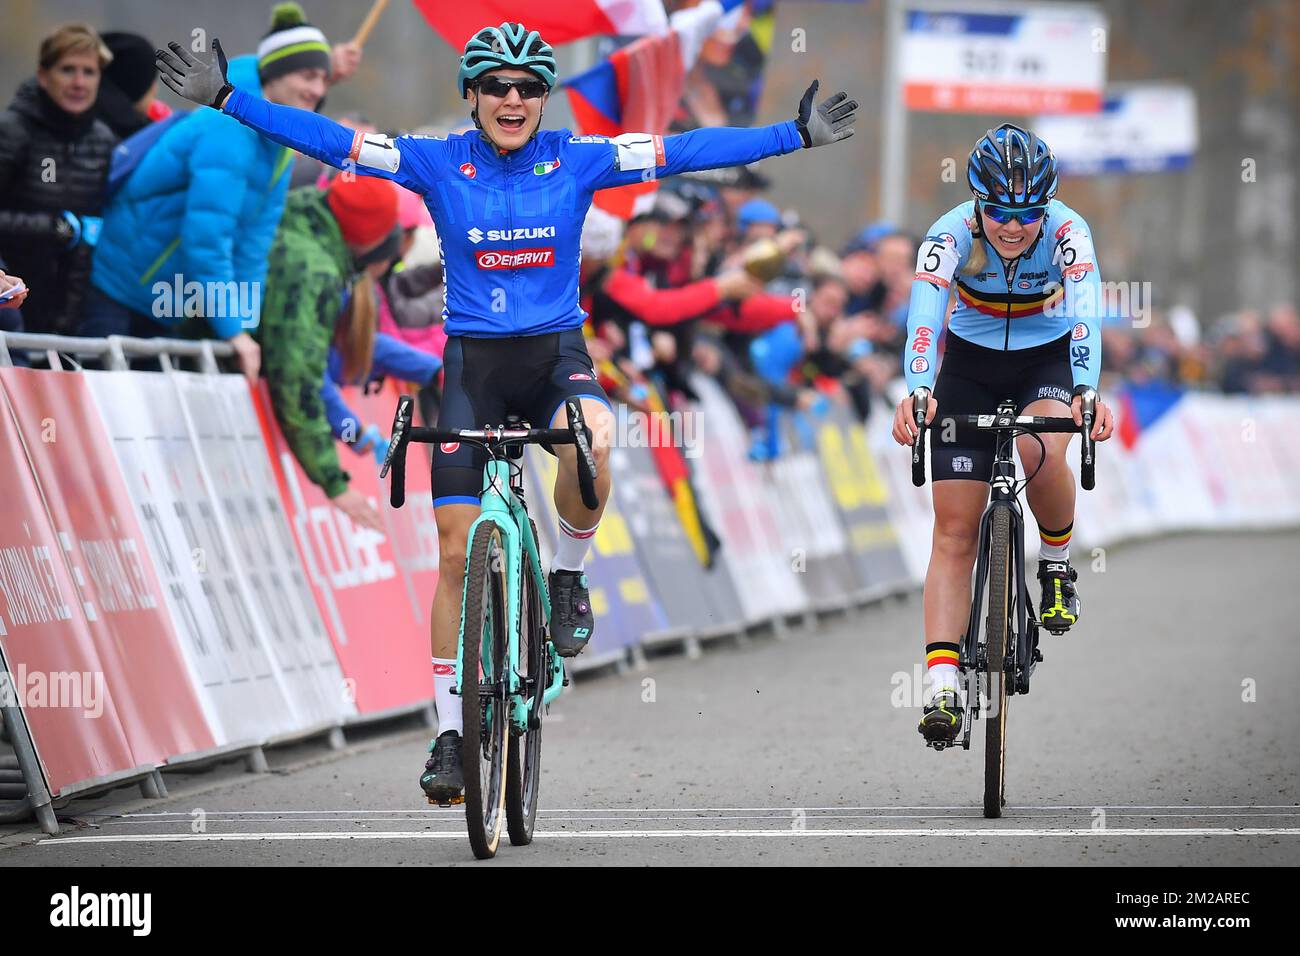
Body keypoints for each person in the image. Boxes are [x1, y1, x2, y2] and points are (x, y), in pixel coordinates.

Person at [155, 19, 859, 804]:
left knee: (592, 437)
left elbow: (686, 149)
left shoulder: (579, 160)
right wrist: (225, 98)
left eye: (528, 87)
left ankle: (565, 579)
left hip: (556, 359)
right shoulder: (433, 162)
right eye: (497, 85)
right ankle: (452, 734)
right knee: (455, 553)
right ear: (473, 96)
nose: (513, 98)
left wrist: (792, 135)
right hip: (472, 369)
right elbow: (329, 141)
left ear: (545, 100)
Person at [890, 124, 1116, 747]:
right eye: (999, 213)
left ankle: (1058, 564)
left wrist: (1087, 386)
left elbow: (1084, 307)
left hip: (1044, 358)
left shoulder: (1069, 231)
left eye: (1027, 215)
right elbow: (924, 315)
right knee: (956, 529)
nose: (1013, 228)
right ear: (977, 204)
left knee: (1038, 451)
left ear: (1046, 208)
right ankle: (940, 684)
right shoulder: (949, 234)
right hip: (967, 364)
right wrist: (917, 386)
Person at [85, 3, 350, 385]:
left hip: (165, 304)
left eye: (325, 80)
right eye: (308, 75)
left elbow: (254, 246)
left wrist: (246, 329)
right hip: (118, 287)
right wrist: (233, 331)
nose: (317, 90)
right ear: (273, 73)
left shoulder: (281, 142)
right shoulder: (228, 129)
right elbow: (208, 240)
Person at [0, 23, 118, 337]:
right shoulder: (12, 131)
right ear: (43, 75)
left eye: (89, 72)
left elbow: (86, 238)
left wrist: (64, 327)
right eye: (67, 70)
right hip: (9, 301)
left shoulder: (103, 141)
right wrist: (52, 228)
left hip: (60, 317)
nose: (79, 82)